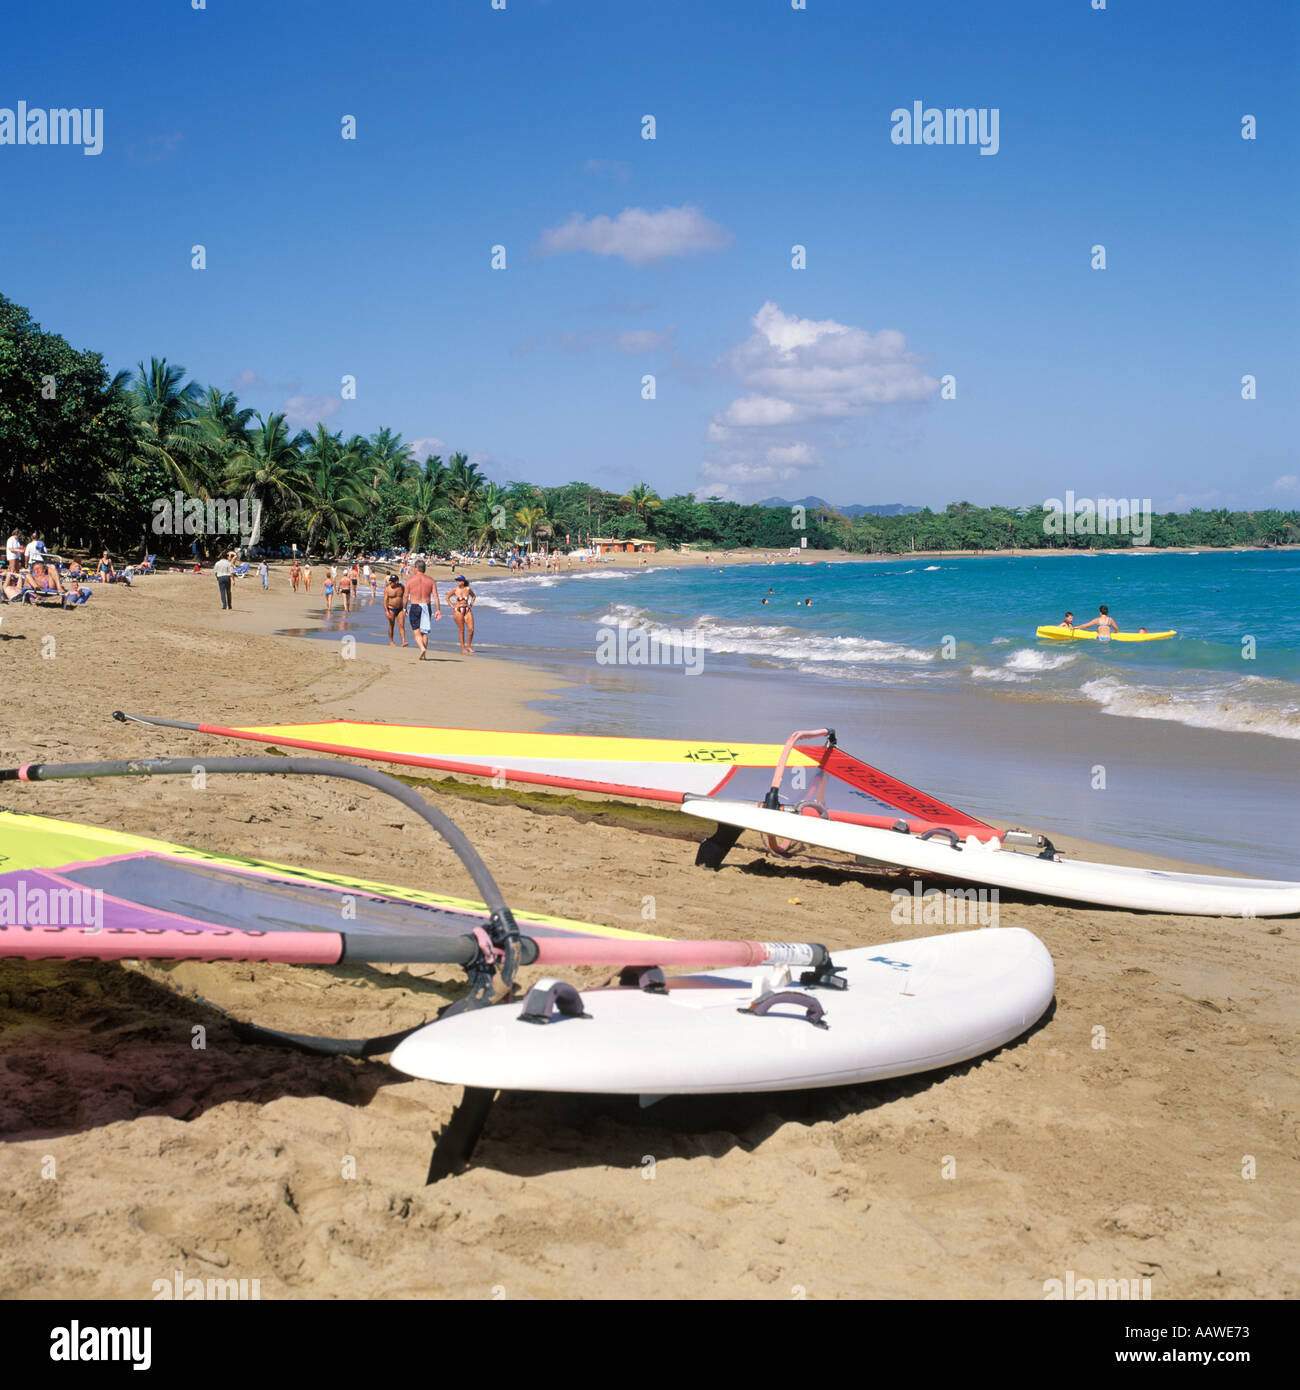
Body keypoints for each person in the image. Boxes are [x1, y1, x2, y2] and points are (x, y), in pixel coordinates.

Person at [405, 559, 442, 660]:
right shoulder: (430, 580)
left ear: (416, 568)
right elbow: (436, 597)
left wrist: (404, 608)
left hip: (415, 606)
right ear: (424, 569)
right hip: (426, 606)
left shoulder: (410, 580)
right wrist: (438, 610)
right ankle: (424, 655)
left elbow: (405, 596)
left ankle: (422, 648)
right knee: (424, 632)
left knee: (416, 632)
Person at [448, 575, 476, 655]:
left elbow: (473, 596)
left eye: (460, 580)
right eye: (457, 580)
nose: (458, 582)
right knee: (462, 630)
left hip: (467, 610)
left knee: (471, 629)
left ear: (463, 582)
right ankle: (463, 648)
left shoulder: (468, 589)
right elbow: (447, 598)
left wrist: (471, 604)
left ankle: (469, 646)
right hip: (458, 610)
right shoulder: (455, 590)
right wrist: (452, 606)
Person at [384, 574, 408, 646]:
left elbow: (405, 597)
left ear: (396, 581)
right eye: (390, 581)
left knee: (401, 625)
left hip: (400, 609)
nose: (390, 583)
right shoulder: (388, 589)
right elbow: (385, 601)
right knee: (391, 625)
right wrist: (386, 611)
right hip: (391, 609)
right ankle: (391, 641)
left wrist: (405, 608)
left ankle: (403, 641)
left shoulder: (402, 587)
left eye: (392, 582)